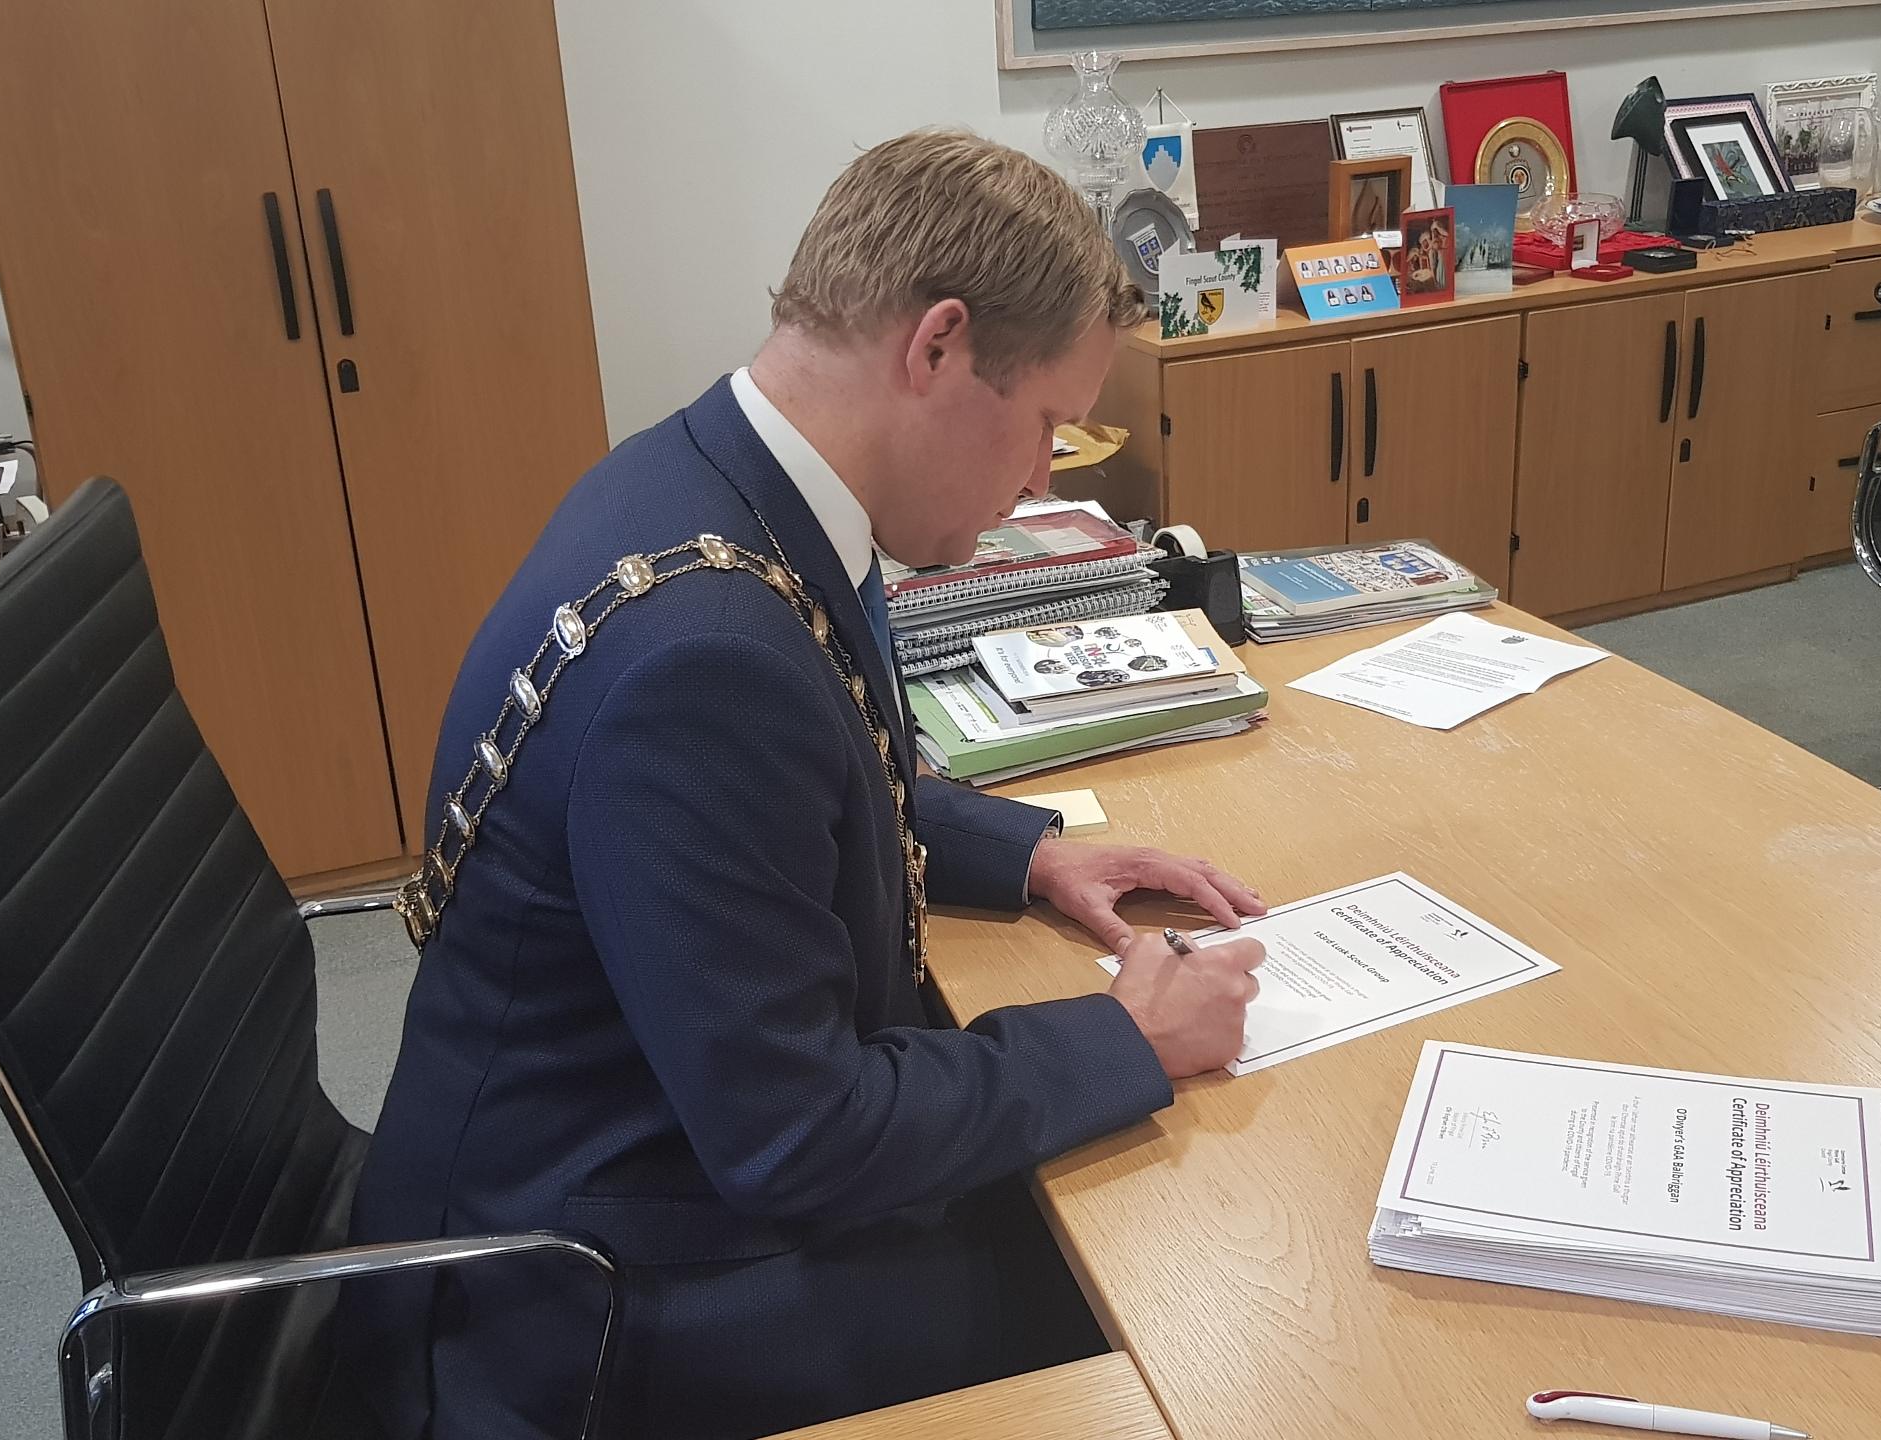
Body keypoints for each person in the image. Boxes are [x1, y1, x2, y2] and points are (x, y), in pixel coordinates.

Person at [347, 129, 1270, 1440]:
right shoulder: (704, 655)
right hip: (579, 1296)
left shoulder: (705, 476)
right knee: (1153, 1286)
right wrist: (1124, 1038)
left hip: (623, 1152)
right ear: (938, 346)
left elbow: (793, 779)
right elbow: (800, 1138)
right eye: (1048, 426)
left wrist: (1026, 853)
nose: (1038, 479)